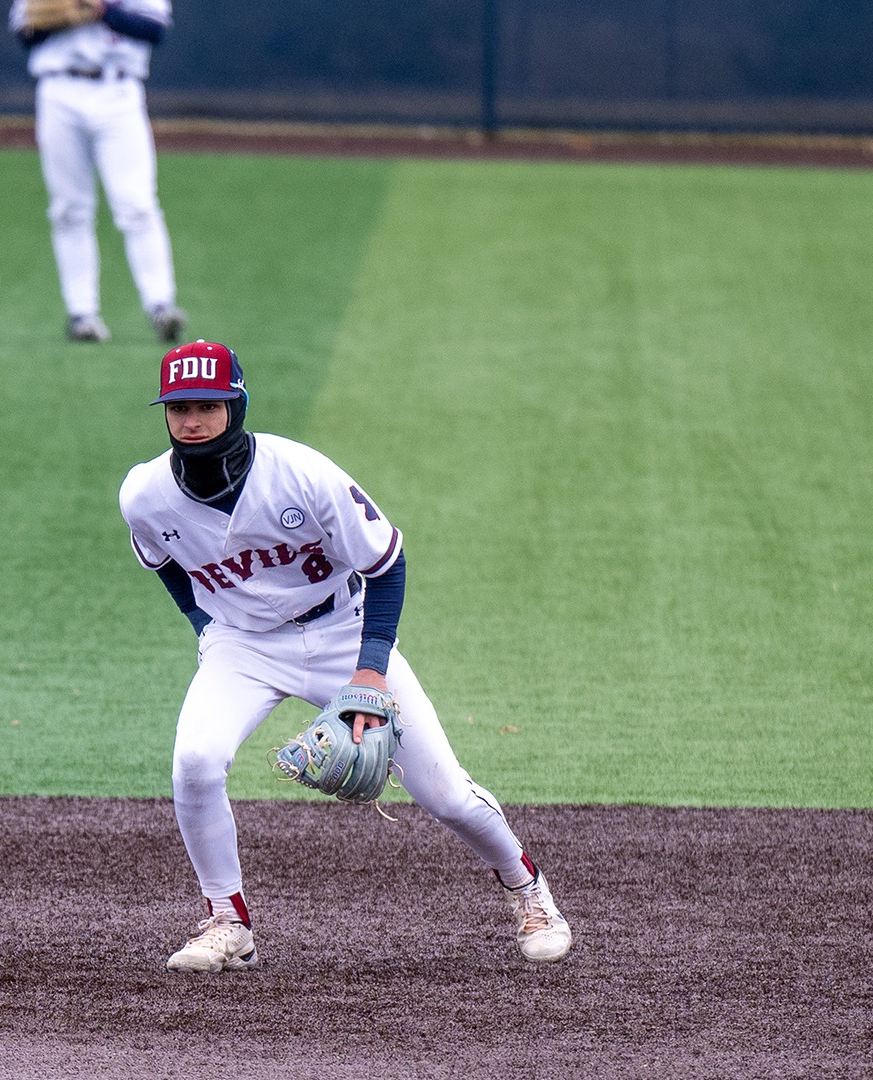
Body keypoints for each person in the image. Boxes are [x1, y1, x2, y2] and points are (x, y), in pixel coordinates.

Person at [117, 339, 573, 972]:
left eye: (208, 406)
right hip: (241, 646)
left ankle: (529, 891)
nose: (191, 421)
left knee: (442, 794)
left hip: (342, 631)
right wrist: (205, 628)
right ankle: (229, 921)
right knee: (195, 760)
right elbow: (165, 563)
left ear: (236, 405)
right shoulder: (144, 493)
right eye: (178, 407)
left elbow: (387, 565)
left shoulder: (303, 474)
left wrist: (370, 669)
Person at [9, 0, 187, 345]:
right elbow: (25, 32)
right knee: (68, 208)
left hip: (118, 91)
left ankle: (160, 305)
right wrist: (66, 14)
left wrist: (102, 10)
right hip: (58, 88)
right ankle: (82, 314)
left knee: (136, 204)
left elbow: (153, 29)